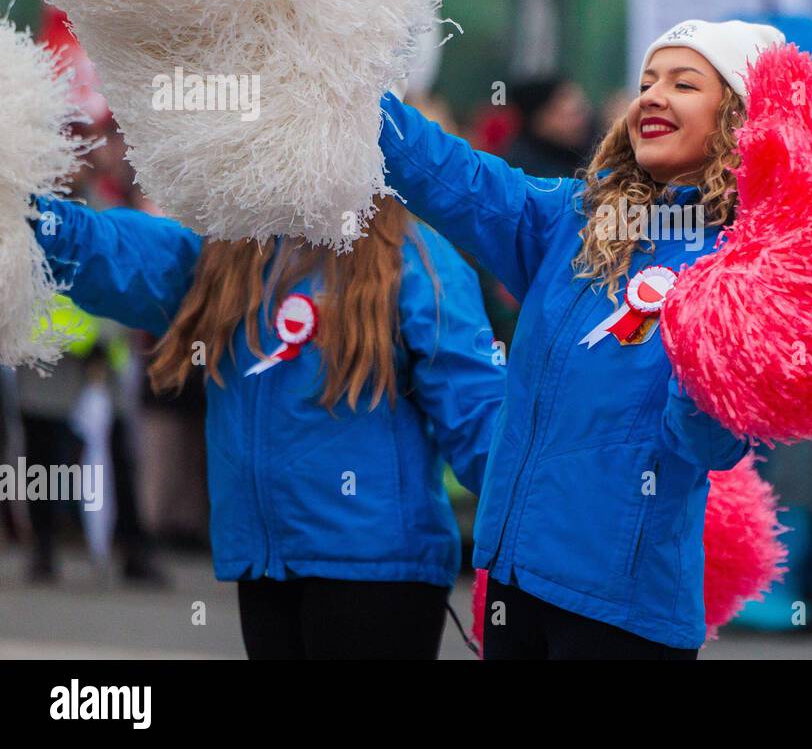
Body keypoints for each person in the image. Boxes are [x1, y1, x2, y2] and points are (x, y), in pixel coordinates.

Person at [377, 19, 784, 658]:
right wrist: (342, 87)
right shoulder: (577, 219)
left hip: (620, 608)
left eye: (684, 83)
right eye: (647, 81)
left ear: (738, 116)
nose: (652, 96)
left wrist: (711, 350)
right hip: (512, 576)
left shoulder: (746, 261)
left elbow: (708, 445)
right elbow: (455, 178)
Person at [29, 194, 502, 659]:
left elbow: (479, 415)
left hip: (380, 572)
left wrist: (521, 548)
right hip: (265, 566)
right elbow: (120, 250)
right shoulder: (232, 248)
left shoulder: (412, 254)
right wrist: (27, 211)